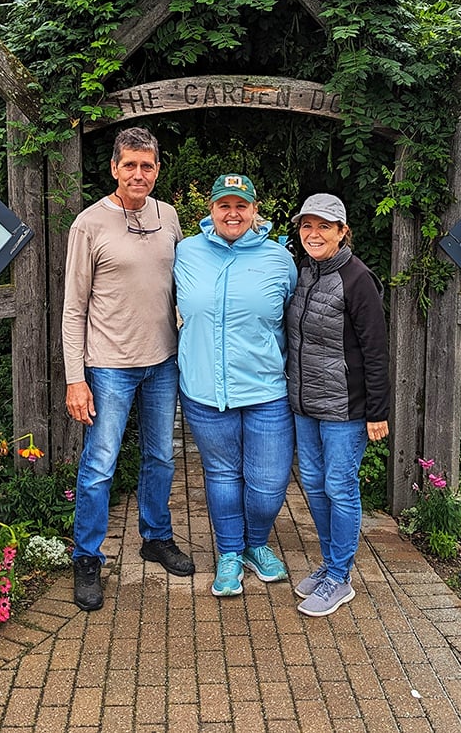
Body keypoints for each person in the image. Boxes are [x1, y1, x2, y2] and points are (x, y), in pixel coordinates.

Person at [62, 126, 195, 612]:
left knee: (161, 457)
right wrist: (75, 378)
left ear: (158, 169)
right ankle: (87, 556)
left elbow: (182, 284)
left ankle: (155, 537)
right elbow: (74, 308)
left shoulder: (169, 216)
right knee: (100, 464)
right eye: (129, 165)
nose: (139, 174)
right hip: (109, 366)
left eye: (148, 165)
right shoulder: (89, 224)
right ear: (114, 168)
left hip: (163, 362)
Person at [174, 174, 298, 597]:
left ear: (254, 209)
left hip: (265, 391)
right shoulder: (185, 252)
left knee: (267, 486)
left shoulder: (280, 259)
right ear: (210, 209)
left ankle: (256, 544)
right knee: (222, 477)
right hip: (205, 391)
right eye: (224, 205)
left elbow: (295, 321)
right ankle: (230, 553)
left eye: (241, 205)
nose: (233, 213)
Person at [286, 193, 390, 617]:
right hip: (305, 404)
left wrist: (378, 411)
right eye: (307, 226)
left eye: (324, 226)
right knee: (312, 484)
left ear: (343, 232)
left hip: (346, 410)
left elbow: (376, 350)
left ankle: (340, 579)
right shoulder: (305, 272)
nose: (314, 234)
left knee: (339, 487)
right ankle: (330, 565)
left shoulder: (358, 279)